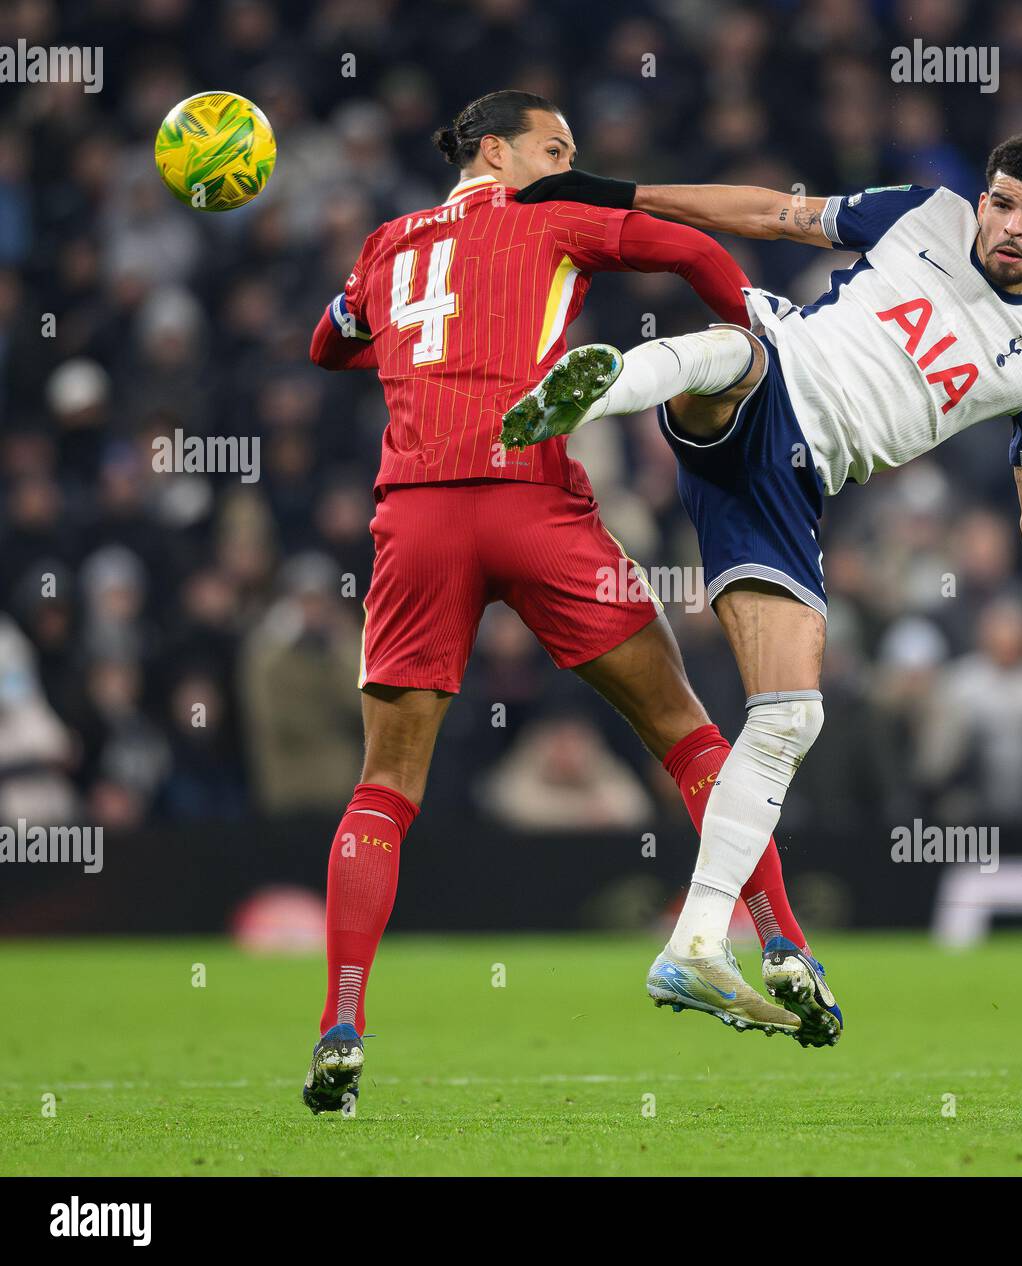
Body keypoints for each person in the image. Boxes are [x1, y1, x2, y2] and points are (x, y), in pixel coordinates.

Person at [502, 132, 1022, 992]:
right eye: (1001, 200)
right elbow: (774, 213)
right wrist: (624, 194)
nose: (1006, 224)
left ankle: (696, 944)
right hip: (777, 372)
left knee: (790, 718)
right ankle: (598, 390)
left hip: (790, 484)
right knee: (738, 353)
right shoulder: (927, 213)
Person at [302, 90, 842, 1117]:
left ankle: (341, 1025)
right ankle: (783, 944)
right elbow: (690, 251)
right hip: (533, 500)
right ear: (496, 152)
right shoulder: (551, 215)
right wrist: (748, 335)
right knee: (684, 732)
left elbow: (326, 346)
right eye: (554, 147)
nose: (567, 163)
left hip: (415, 519)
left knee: (384, 787)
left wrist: (414, 354)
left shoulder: (385, 245)